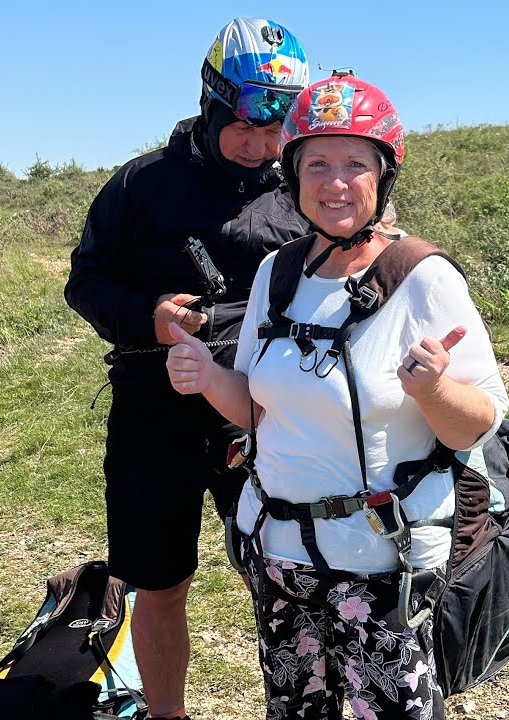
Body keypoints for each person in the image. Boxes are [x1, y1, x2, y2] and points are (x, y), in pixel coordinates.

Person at [165, 73, 508, 720]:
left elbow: (479, 424)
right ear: (292, 177)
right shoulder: (278, 273)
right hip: (278, 553)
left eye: (355, 162)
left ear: (383, 176)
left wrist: (433, 390)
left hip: (382, 563)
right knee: (292, 710)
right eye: (316, 163)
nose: (335, 181)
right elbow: (260, 412)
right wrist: (209, 378)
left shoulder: (422, 277)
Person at [64, 17, 309, 720]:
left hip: (266, 411)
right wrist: (149, 315)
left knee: (280, 578)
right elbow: (85, 281)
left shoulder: (298, 187)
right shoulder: (141, 185)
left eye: (276, 132)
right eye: (249, 128)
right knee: (161, 583)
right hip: (153, 411)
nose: (263, 147)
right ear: (211, 101)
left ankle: (296, 705)